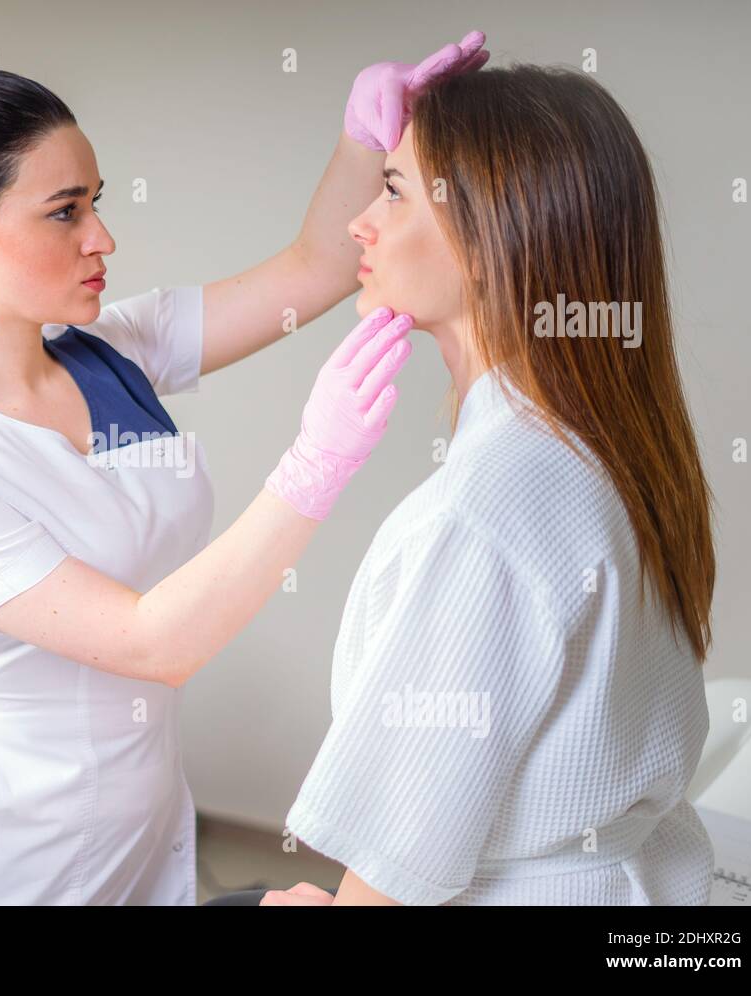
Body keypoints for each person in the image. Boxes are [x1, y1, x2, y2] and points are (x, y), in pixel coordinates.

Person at [0, 36, 489, 904]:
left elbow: (313, 269)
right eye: (65, 213)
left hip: (141, 834)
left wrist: (366, 137)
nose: (104, 237)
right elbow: (150, 644)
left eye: (95, 203)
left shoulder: (114, 351)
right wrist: (315, 465)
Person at [227, 63, 716, 906]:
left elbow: (395, 859)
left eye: (392, 193)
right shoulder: (620, 443)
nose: (360, 226)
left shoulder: (480, 512)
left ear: (492, 238)